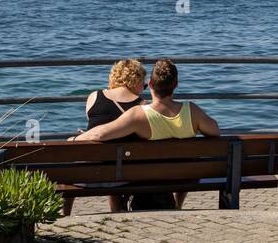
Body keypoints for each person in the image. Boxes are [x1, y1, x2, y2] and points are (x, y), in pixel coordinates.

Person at [74, 59, 221, 209]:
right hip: (187, 176)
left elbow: (100, 134)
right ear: (176, 85)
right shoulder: (192, 110)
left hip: (154, 177)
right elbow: (215, 130)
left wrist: (75, 139)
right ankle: (178, 205)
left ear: (150, 84)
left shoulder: (140, 115)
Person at [79, 59, 147, 211]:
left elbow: (96, 126)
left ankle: (66, 213)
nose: (144, 88)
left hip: (87, 172)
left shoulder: (94, 97)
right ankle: (117, 211)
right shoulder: (143, 106)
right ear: (136, 81)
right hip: (123, 175)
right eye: (144, 84)